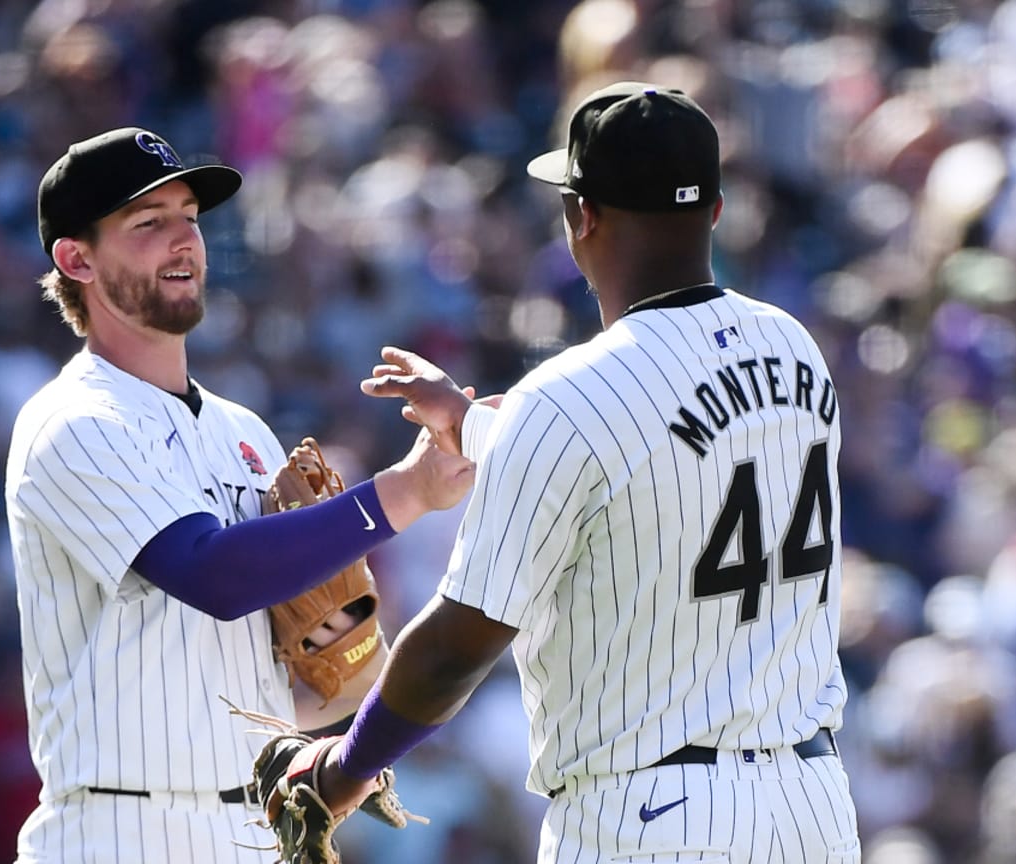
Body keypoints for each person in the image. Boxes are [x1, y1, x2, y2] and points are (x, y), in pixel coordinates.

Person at [285, 82, 862, 862]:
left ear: (581, 218)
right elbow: (664, 456)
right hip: (812, 806)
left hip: (655, 816)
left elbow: (458, 648)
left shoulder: (565, 400)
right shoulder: (792, 344)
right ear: (716, 210)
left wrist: (343, 771)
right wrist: (481, 425)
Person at [3, 126, 475, 862]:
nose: (185, 240)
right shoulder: (72, 423)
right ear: (76, 258)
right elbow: (214, 575)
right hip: (117, 831)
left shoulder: (241, 432)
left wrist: (344, 662)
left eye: (190, 216)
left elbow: (308, 683)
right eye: (148, 223)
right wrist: (401, 495)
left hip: (252, 829)